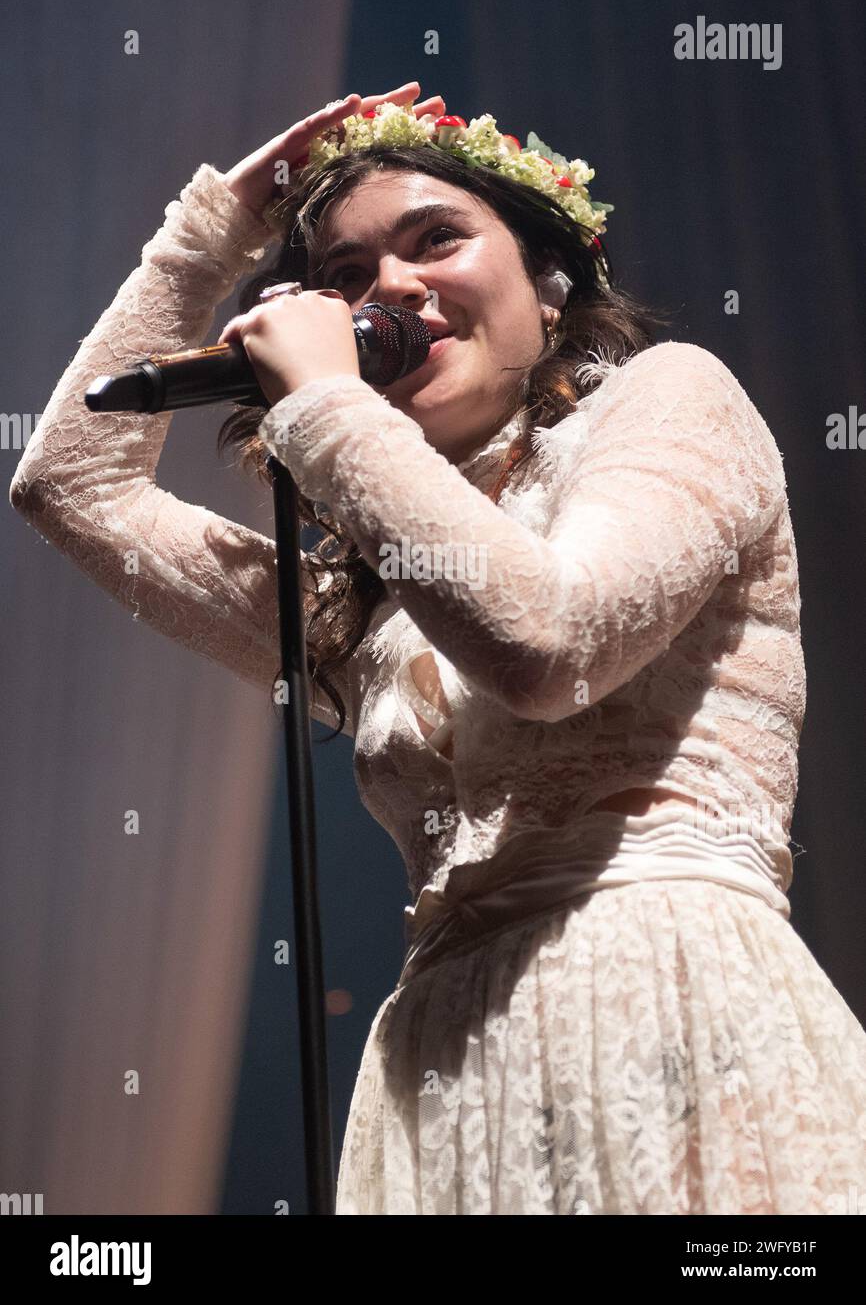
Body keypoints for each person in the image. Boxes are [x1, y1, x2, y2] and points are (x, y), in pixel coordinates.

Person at [10, 81, 866, 1216]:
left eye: (436, 241)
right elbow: (69, 485)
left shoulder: (671, 398)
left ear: (549, 287)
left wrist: (317, 406)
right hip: (446, 1071)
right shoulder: (364, 602)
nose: (390, 291)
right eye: (346, 278)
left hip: (664, 1001)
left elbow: (548, 642)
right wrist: (208, 233)